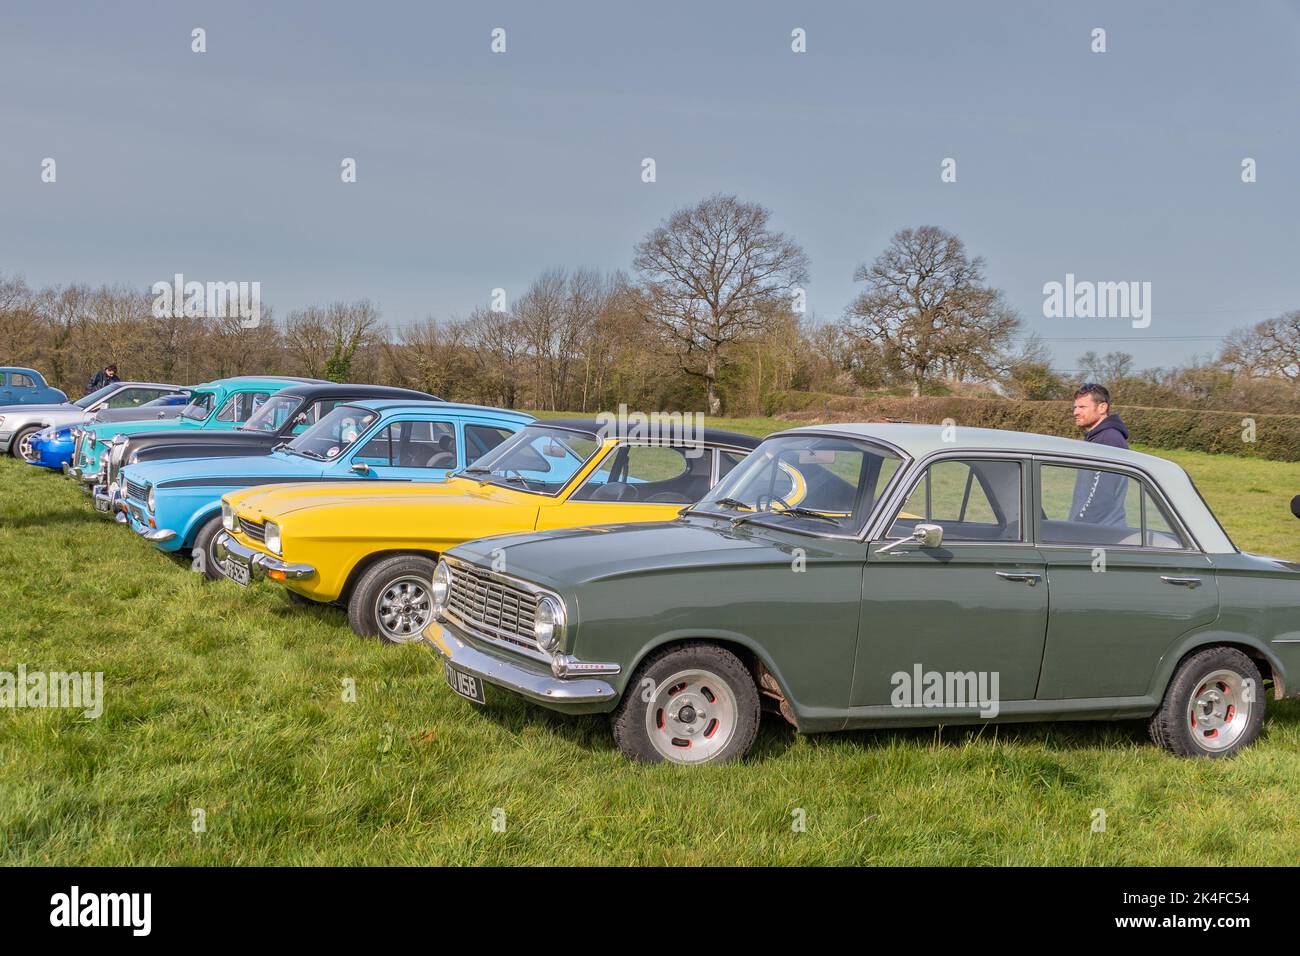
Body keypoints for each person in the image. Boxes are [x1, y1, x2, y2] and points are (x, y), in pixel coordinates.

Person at [1069, 383, 1129, 525]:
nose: (1075, 412)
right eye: (1075, 407)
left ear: (1102, 407)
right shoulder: (1097, 439)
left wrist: (1077, 525)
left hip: (1101, 533)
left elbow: (1102, 495)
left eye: (1082, 407)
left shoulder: (1109, 441)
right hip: (1094, 530)